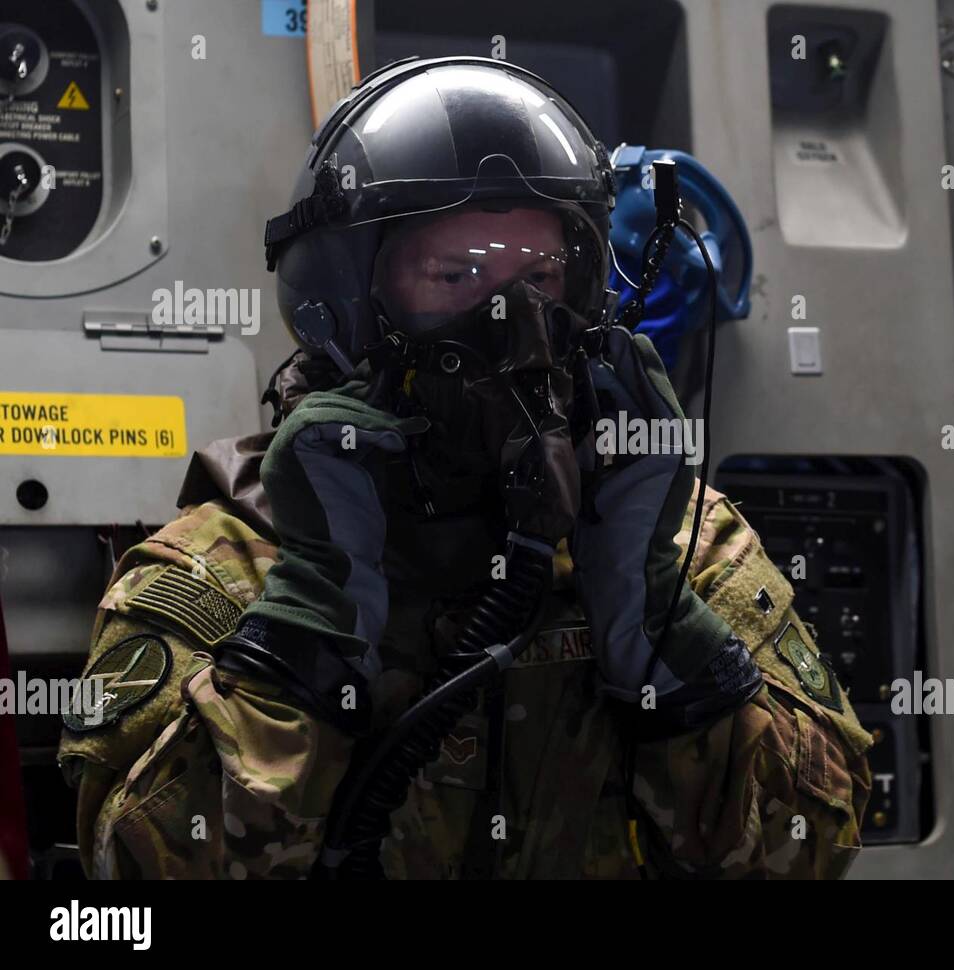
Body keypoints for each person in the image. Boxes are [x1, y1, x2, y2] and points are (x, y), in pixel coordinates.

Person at [56, 57, 873, 879]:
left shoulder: (684, 542)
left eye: (541, 278)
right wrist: (309, 624)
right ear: (350, 305)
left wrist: (653, 615)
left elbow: (809, 851)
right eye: (455, 277)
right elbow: (133, 874)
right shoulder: (219, 575)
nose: (514, 322)